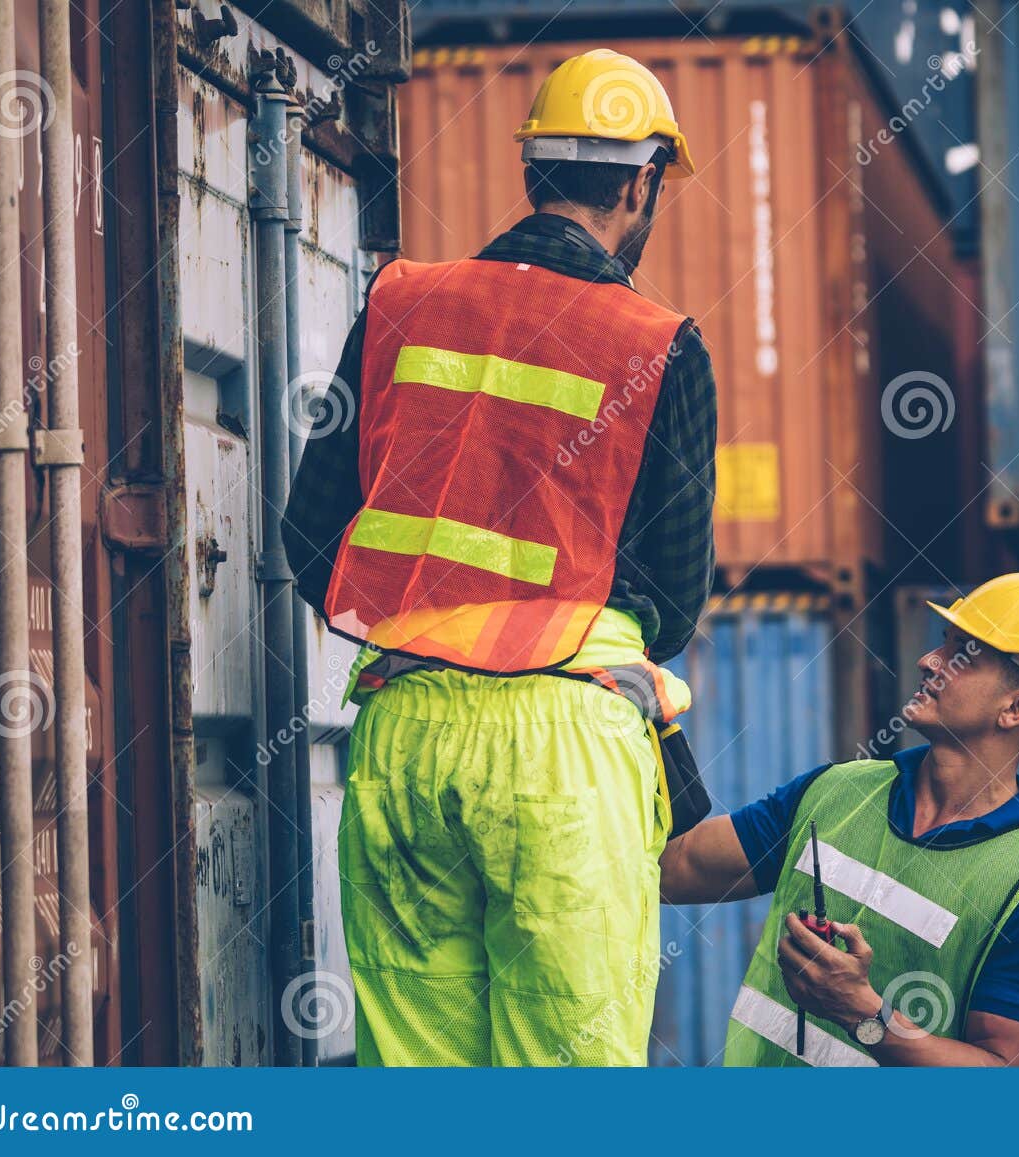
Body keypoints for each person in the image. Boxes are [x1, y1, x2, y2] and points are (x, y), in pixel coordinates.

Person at [282, 49, 716, 1066]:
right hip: (562, 746)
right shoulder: (657, 342)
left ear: (532, 170)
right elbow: (671, 597)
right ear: (642, 180)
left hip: (400, 730)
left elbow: (311, 541)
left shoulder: (399, 302)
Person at [660, 570, 1019, 1066]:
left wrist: (865, 1016)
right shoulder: (836, 792)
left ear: (1016, 707)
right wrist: (641, 727)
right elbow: (674, 870)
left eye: (964, 655)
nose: (929, 661)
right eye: (944, 643)